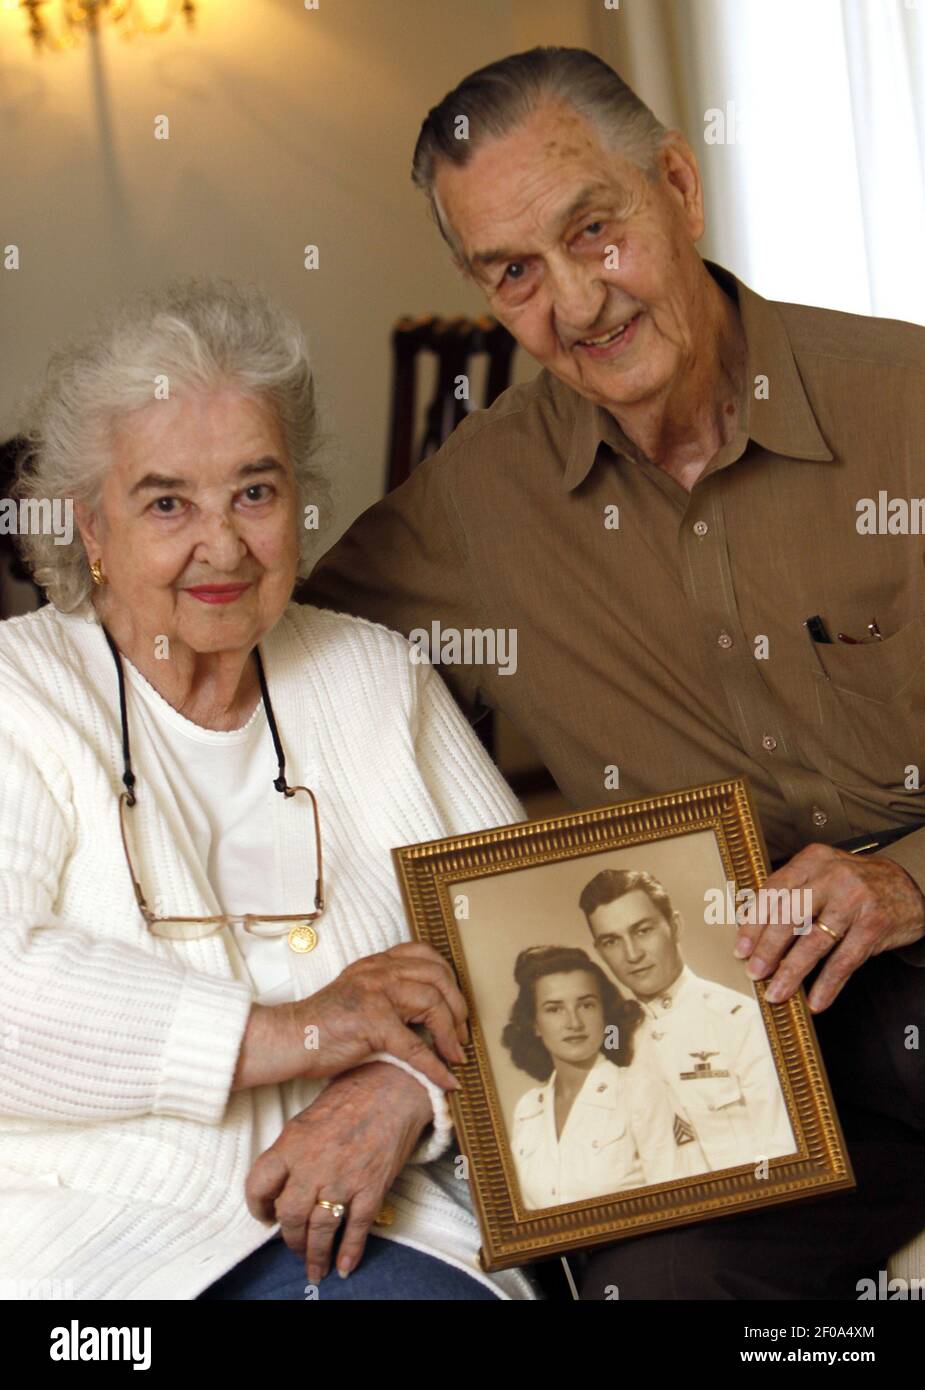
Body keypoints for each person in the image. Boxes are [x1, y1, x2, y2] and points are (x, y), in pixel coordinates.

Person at [305, 46, 925, 1297]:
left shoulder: (906, 406)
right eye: (514, 273)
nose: (577, 305)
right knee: (652, 1287)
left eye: (595, 231)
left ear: (680, 189)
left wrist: (903, 878)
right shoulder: (478, 505)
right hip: (729, 1034)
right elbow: (258, 634)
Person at [0, 278, 540, 1302]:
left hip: (385, 1220)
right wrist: (300, 1032)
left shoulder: (375, 674)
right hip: (90, 1233)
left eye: (256, 492)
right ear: (91, 530)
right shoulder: (17, 692)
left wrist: (406, 1090)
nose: (225, 545)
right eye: (167, 502)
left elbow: (529, 938)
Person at [579, 869, 795, 1171]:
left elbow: (786, 1150)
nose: (632, 954)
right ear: (599, 952)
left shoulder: (741, 1021)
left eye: (643, 931)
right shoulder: (614, 1037)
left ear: (674, 926)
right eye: (612, 941)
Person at [503, 946, 708, 1209]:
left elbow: (691, 1202)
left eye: (586, 1005)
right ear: (534, 1024)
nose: (573, 1022)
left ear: (605, 1014)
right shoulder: (528, 1109)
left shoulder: (641, 1092)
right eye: (554, 1009)